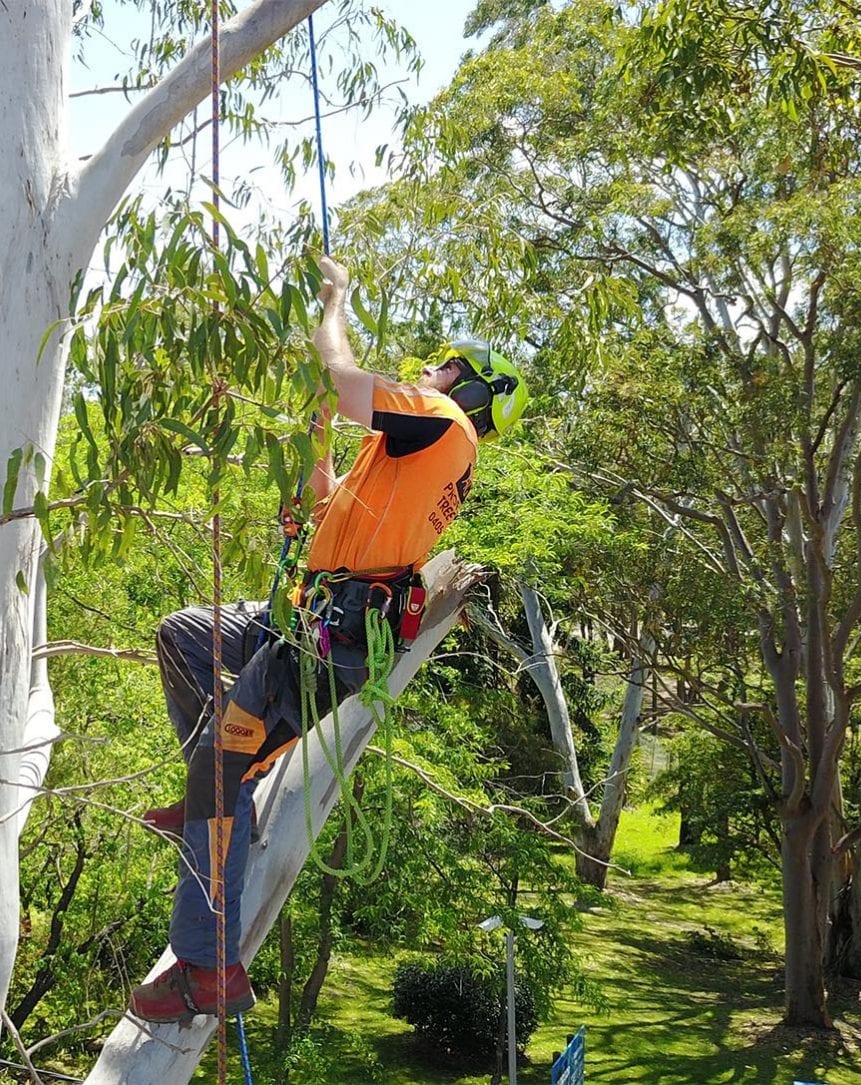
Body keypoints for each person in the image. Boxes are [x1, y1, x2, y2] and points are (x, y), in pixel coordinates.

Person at [128, 255, 531, 1023]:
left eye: (445, 367)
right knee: (183, 636)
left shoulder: (443, 427)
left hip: (322, 646)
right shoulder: (406, 458)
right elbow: (320, 498)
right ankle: (215, 796)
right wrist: (315, 432)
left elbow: (342, 373)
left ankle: (207, 968)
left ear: (474, 389)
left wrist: (335, 300)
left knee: (222, 776)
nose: (429, 371)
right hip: (298, 619)